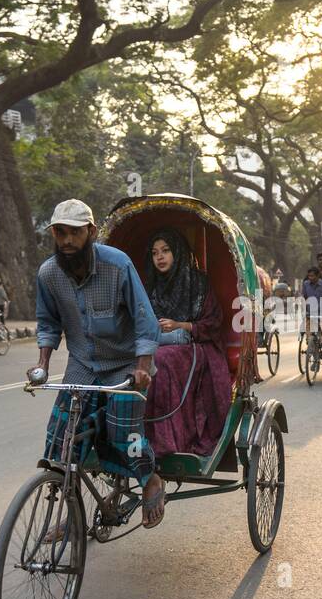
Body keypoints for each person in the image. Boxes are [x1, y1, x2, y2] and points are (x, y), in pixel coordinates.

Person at [29, 198, 167, 528]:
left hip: (123, 364)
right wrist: (43, 365)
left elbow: (145, 320)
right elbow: (48, 323)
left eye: (74, 233)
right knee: (61, 440)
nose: (66, 241)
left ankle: (150, 480)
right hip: (82, 364)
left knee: (125, 434)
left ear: (90, 232)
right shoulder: (48, 273)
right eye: (60, 233)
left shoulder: (117, 265)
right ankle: (71, 514)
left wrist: (143, 367)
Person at [142, 229, 233, 459]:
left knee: (160, 361)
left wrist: (181, 326)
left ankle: (166, 441)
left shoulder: (198, 283)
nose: (159, 257)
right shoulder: (151, 285)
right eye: (154, 253)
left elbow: (213, 323)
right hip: (159, 343)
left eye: (166, 251)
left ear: (178, 252)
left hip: (198, 345)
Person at [301, 266, 322, 338]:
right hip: (310, 312)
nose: (310, 278)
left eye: (312, 276)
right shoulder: (306, 284)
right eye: (309, 276)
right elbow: (303, 297)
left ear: (318, 275)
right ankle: (310, 343)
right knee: (309, 335)